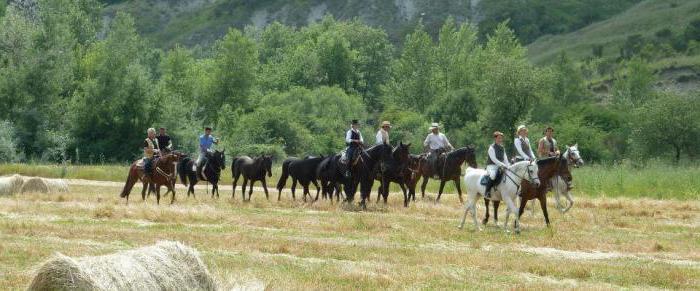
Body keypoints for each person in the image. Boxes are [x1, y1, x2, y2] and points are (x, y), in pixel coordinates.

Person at [485, 131, 510, 199]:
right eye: (499, 138)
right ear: (495, 139)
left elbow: (505, 158)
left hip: (500, 166)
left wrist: (508, 166)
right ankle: (487, 192)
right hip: (491, 166)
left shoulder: (502, 148)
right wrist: (503, 165)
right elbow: (494, 159)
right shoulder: (491, 147)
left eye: (501, 138)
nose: (500, 140)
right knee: (493, 175)